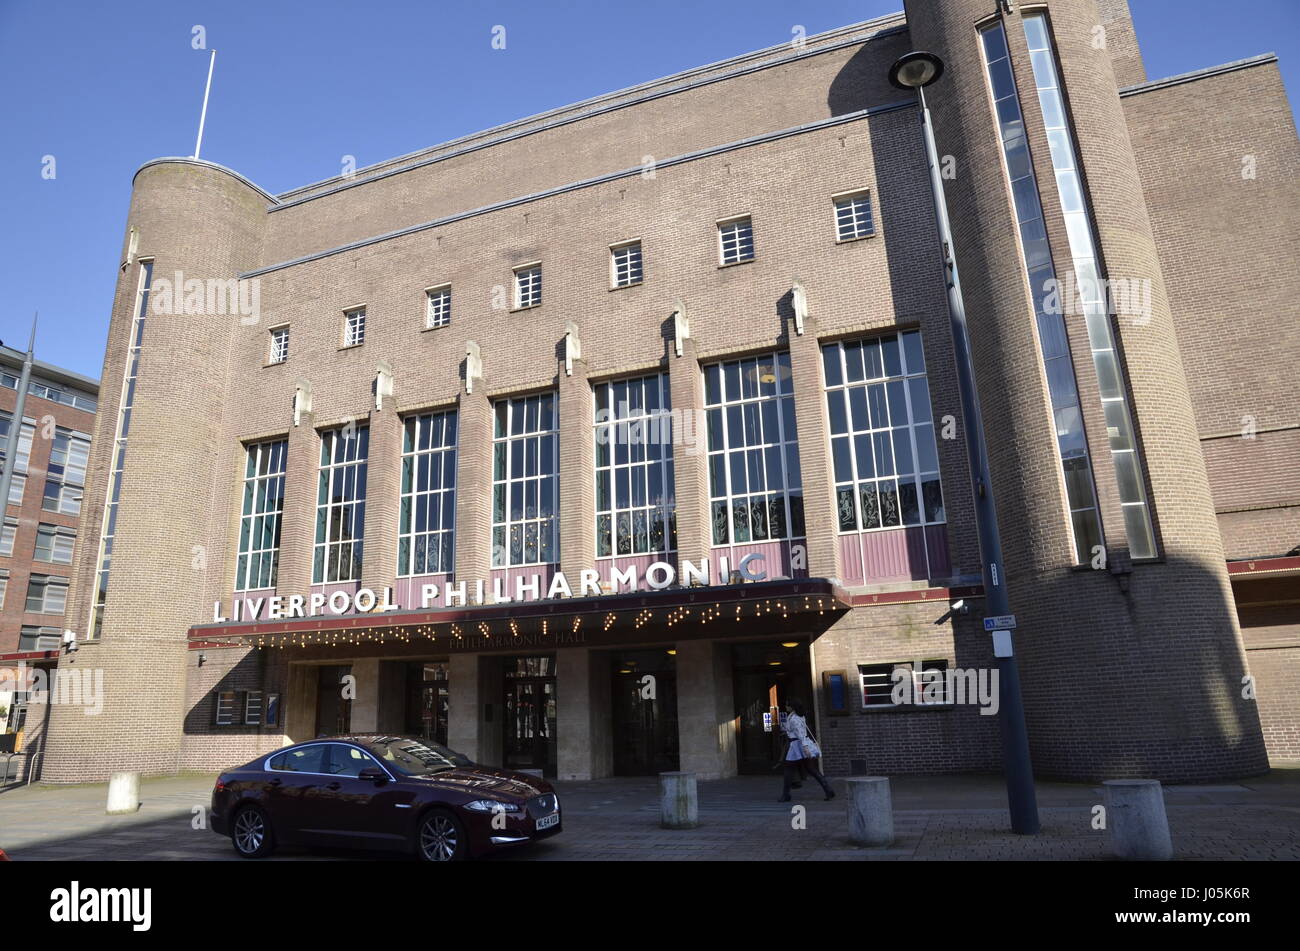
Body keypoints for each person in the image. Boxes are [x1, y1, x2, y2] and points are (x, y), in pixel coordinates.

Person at [777, 700, 835, 802]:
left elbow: (800, 733)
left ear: (792, 707)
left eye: (787, 705)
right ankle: (828, 790)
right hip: (799, 744)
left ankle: (786, 795)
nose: (785, 707)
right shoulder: (797, 716)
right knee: (811, 769)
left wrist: (805, 748)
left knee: (788, 769)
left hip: (797, 745)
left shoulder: (794, 718)